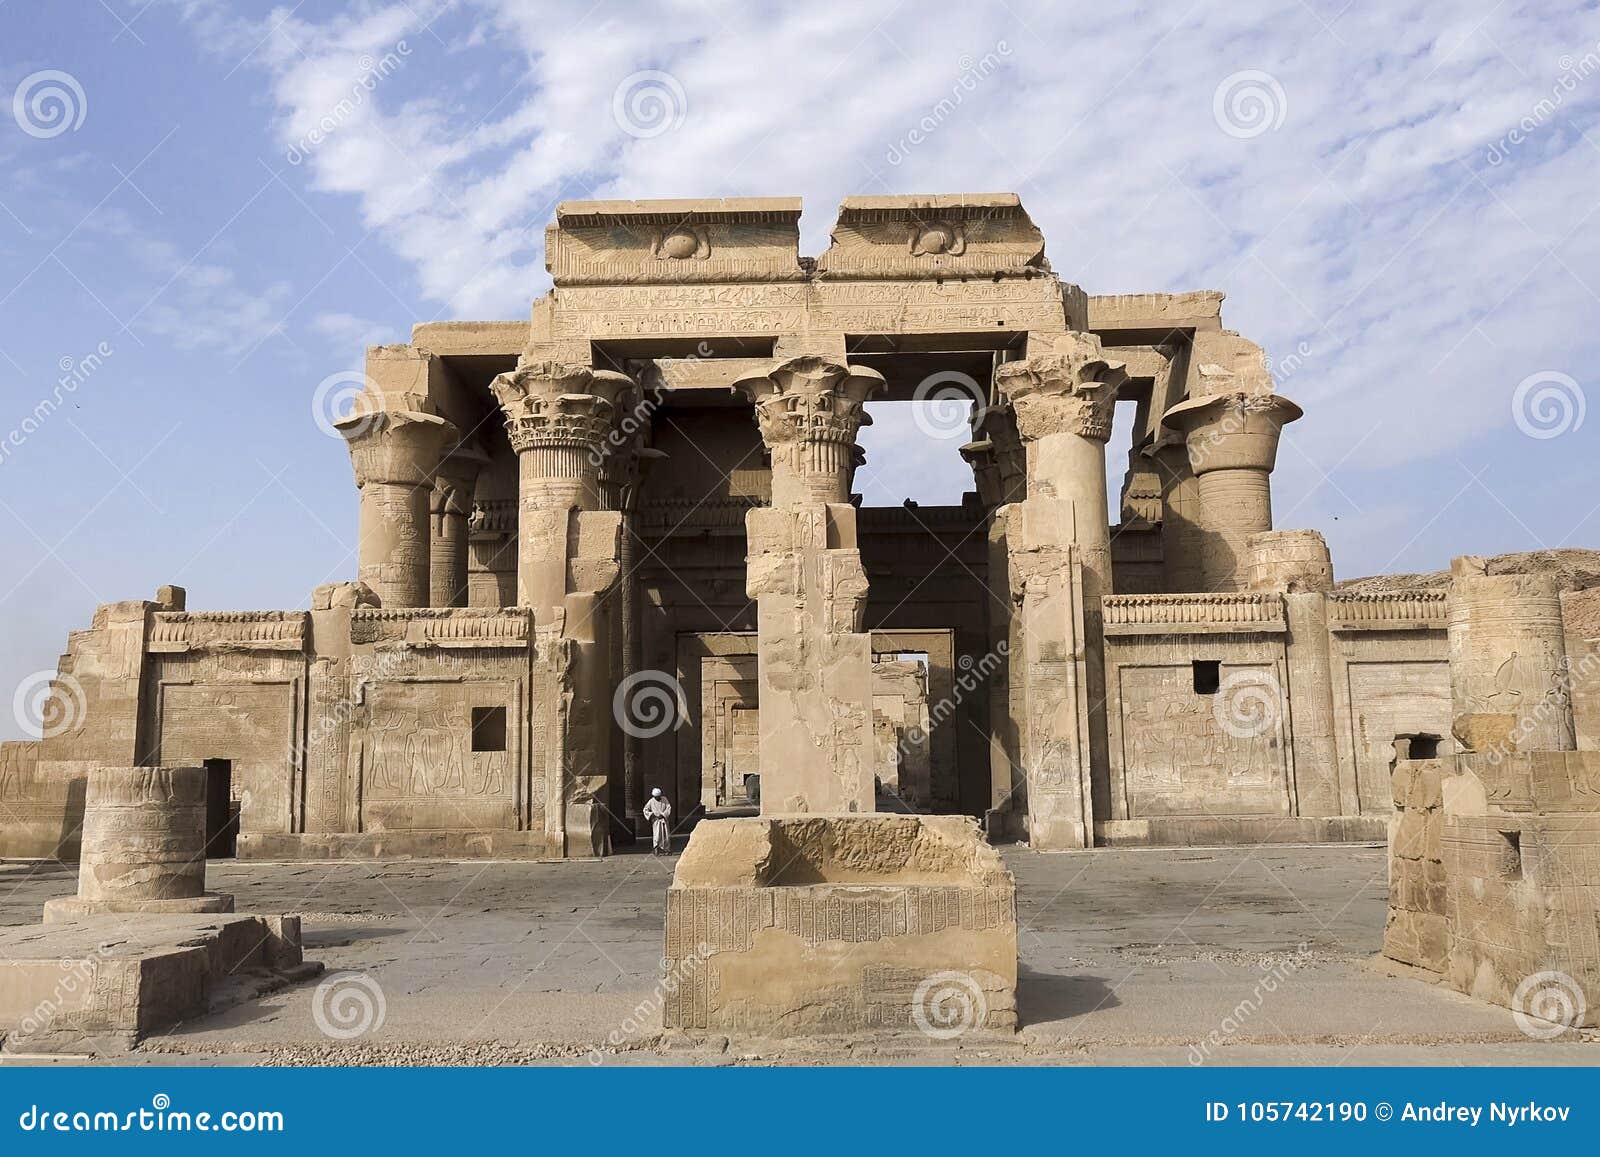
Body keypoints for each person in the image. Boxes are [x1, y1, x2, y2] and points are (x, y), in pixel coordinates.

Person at [643, 787, 672, 856]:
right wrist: (652, 815)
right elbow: (645, 809)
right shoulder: (651, 801)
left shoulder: (664, 799)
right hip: (656, 821)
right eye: (656, 797)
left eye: (658, 797)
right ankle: (656, 849)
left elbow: (668, 807)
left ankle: (667, 850)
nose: (657, 798)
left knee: (666, 835)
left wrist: (663, 815)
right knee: (656, 836)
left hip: (664, 820)